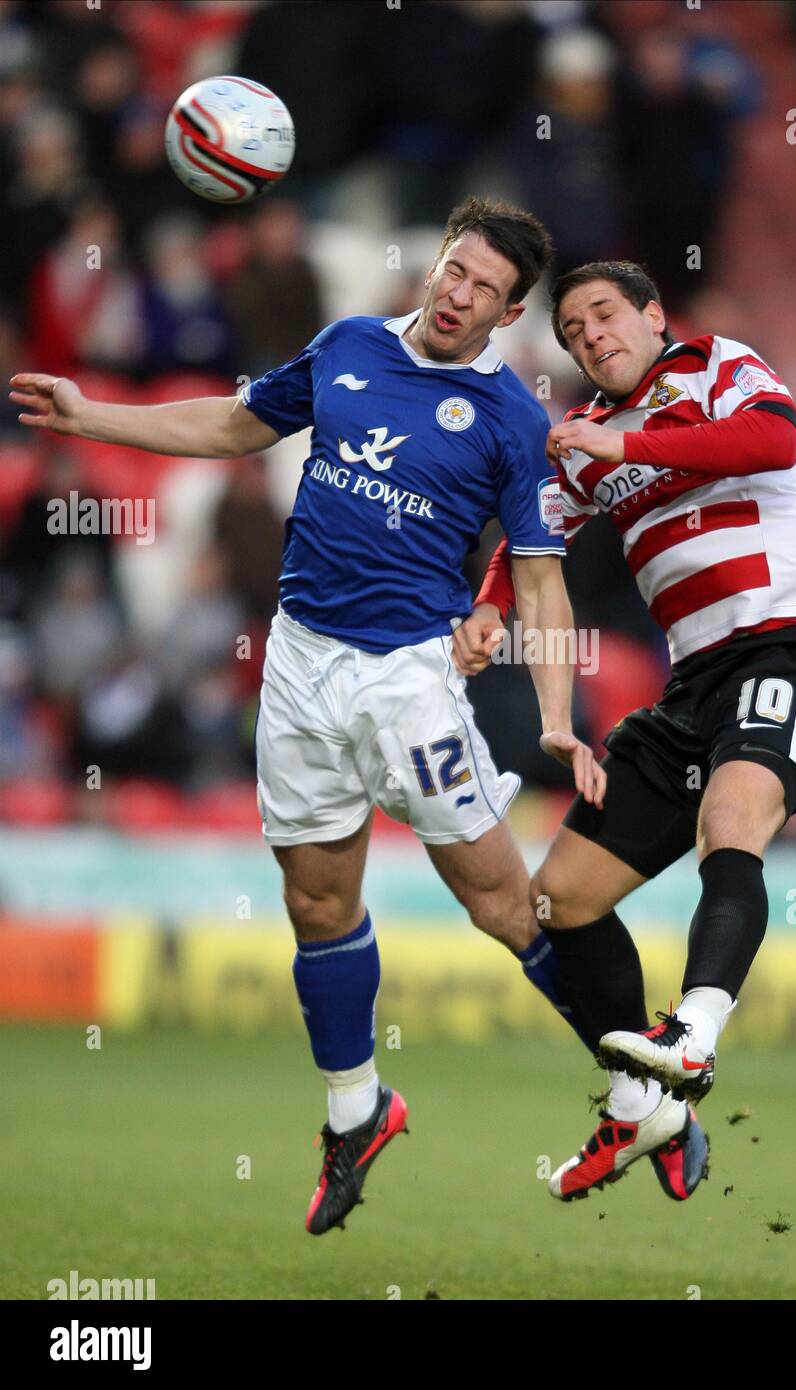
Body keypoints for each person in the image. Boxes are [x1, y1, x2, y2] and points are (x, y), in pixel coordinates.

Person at [11, 198, 619, 1235]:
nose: (454, 292)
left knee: (504, 906)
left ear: (507, 312)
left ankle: (643, 1089)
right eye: (450, 268)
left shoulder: (515, 420)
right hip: (298, 662)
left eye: (481, 287)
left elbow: (541, 579)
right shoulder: (345, 347)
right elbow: (237, 423)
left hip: (407, 678)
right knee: (316, 904)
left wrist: (558, 713)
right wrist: (89, 414)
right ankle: (357, 1111)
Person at [454, 261, 796, 1200]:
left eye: (604, 315)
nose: (590, 334)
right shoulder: (592, 441)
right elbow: (531, 538)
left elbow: (771, 437)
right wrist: (487, 608)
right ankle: (646, 1106)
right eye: (574, 329)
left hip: (785, 644)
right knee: (561, 899)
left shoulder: (717, 365)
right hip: (691, 686)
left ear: (652, 315)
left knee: (733, 817)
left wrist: (625, 445)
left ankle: (693, 1035)